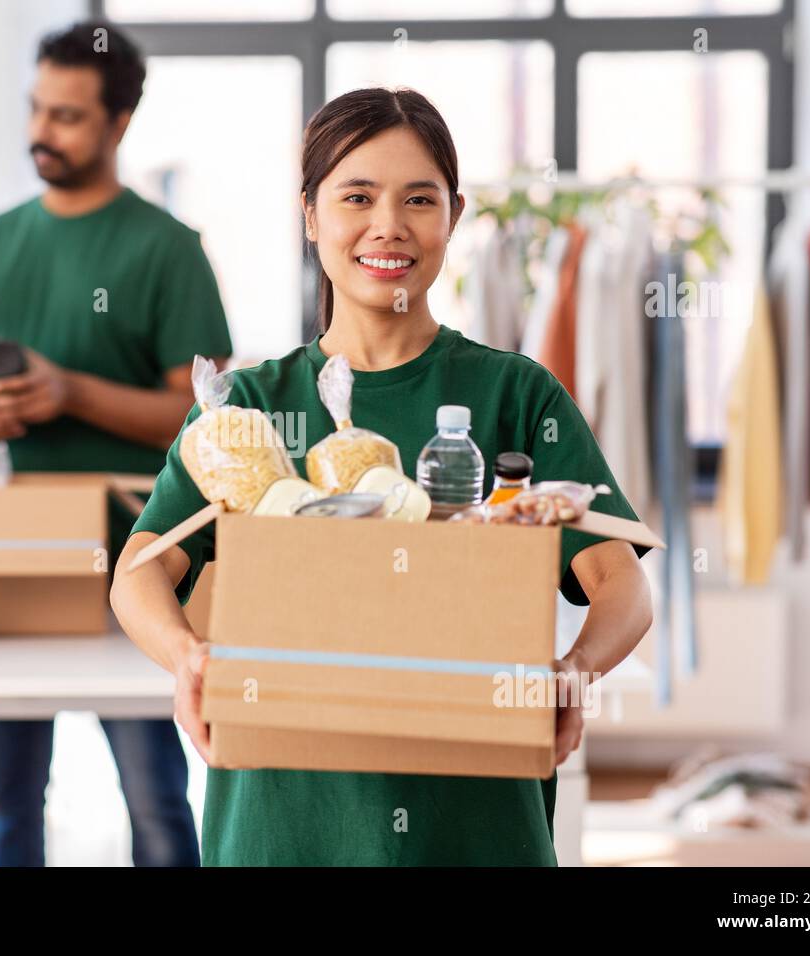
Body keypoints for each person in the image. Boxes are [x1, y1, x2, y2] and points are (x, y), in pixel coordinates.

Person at [112, 87, 655, 866]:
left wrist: (574, 673)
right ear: (309, 215)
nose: (388, 226)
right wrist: (185, 656)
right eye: (356, 197)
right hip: (283, 820)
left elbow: (621, 582)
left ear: (455, 215)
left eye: (419, 199)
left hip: (473, 823)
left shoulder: (515, 394)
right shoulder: (246, 413)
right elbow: (140, 570)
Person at [0, 21, 231, 867]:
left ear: (119, 123)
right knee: (7, 803)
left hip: (137, 561)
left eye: (66, 116)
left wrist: (70, 393)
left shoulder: (170, 251)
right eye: (35, 109)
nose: (40, 133)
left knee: (158, 803)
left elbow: (204, 420)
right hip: (8, 558)